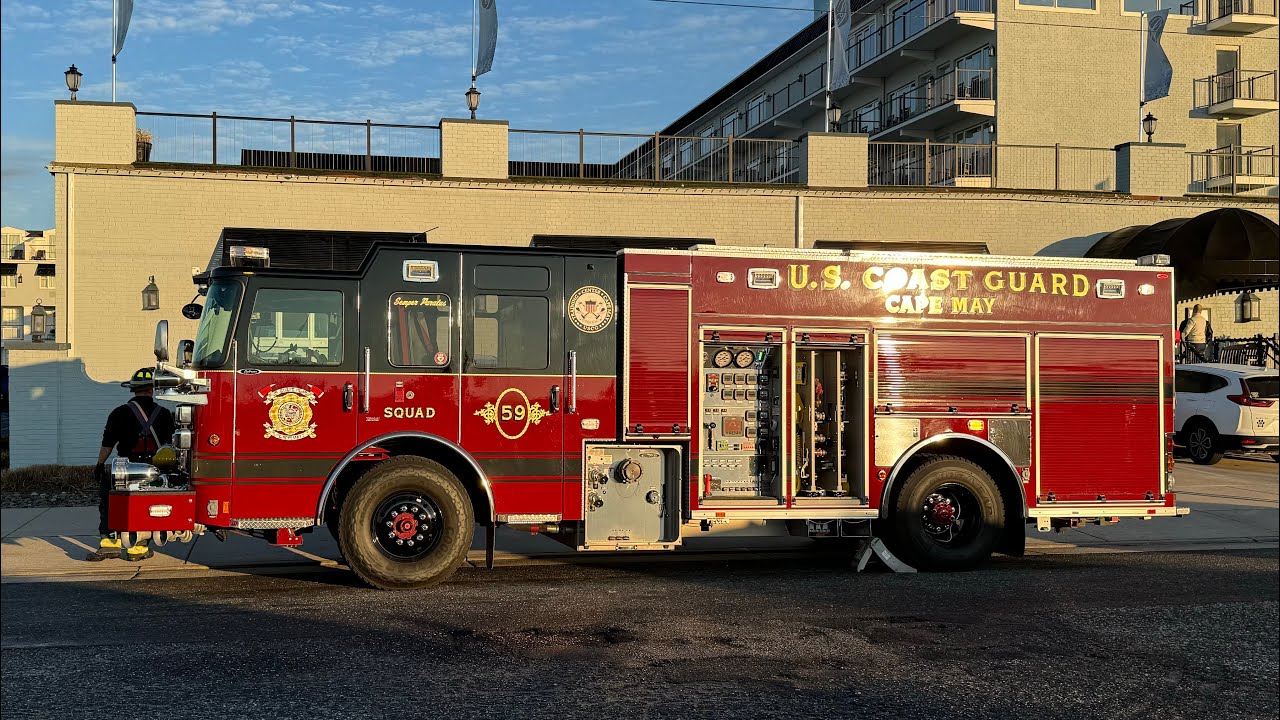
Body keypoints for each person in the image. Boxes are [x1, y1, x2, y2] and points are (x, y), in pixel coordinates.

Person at [85, 367, 174, 562]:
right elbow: (171, 446)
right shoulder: (165, 414)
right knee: (146, 507)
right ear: (152, 390)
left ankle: (109, 544)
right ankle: (138, 548)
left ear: (133, 390)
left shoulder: (119, 413)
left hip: (124, 468)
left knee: (110, 504)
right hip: (153, 470)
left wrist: (99, 465)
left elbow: (107, 444)